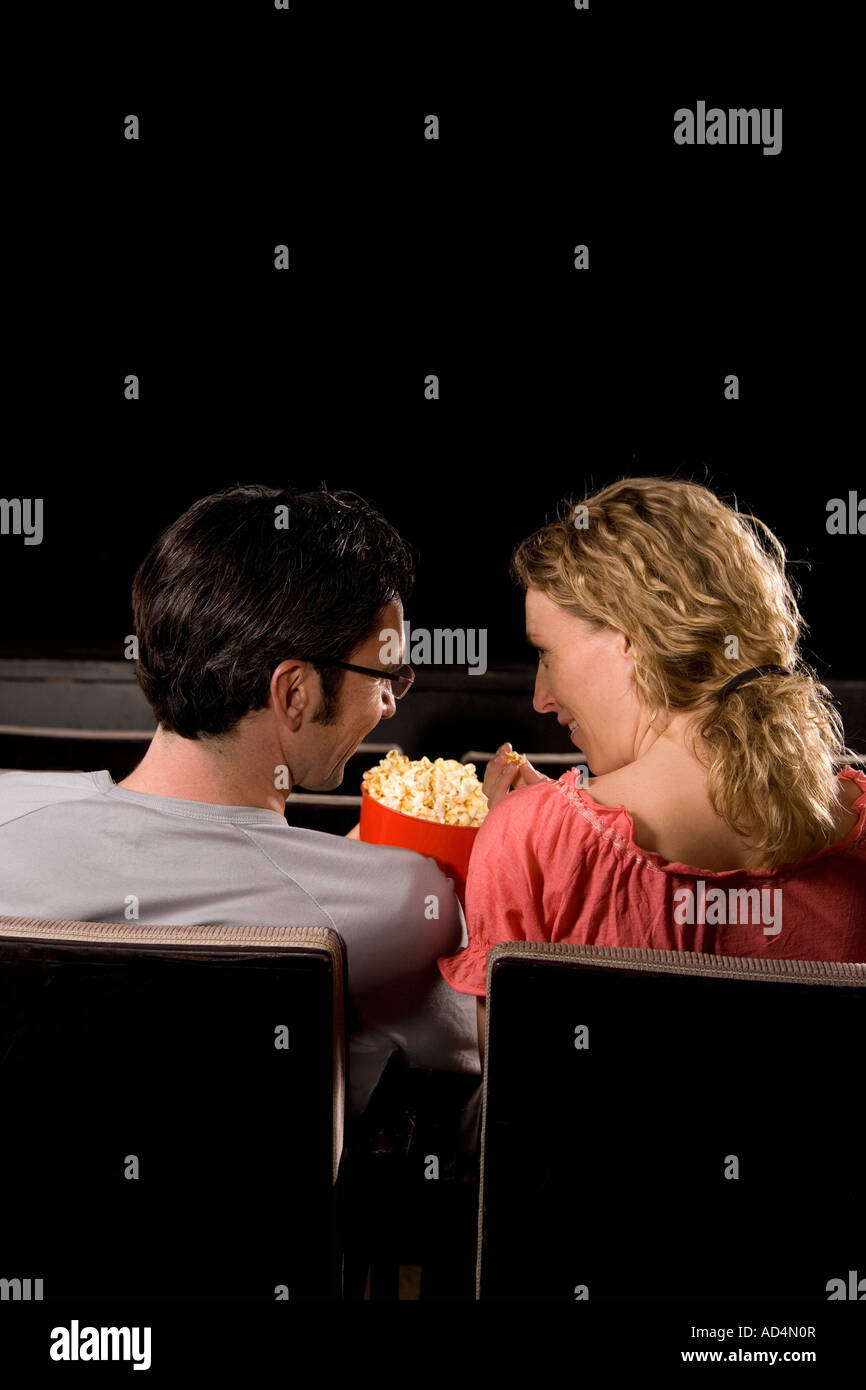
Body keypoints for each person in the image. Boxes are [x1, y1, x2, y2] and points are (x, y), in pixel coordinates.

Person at [0, 484, 479, 1118]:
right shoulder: (403, 900)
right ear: (295, 692)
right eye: (384, 674)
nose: (391, 700)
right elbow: (481, 1068)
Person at [436, 477, 866, 1056]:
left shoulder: (529, 839)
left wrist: (524, 835)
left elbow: (516, 1114)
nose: (540, 696)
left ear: (629, 638)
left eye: (546, 652)